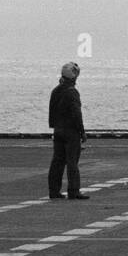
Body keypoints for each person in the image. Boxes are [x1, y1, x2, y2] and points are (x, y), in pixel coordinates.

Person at [48, 62, 87, 200]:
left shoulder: (55, 91)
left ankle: (54, 191)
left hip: (58, 130)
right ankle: (73, 191)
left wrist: (54, 127)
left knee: (57, 162)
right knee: (72, 162)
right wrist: (82, 132)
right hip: (71, 131)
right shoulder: (72, 92)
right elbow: (77, 113)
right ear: (74, 76)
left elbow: (51, 111)